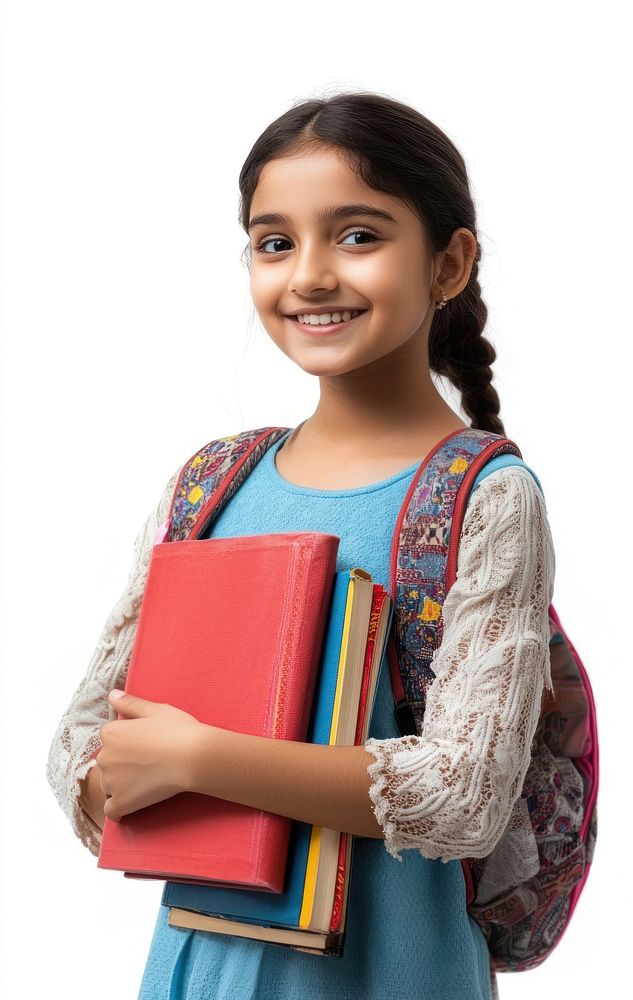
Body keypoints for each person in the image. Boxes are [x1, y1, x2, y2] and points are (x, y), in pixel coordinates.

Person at [46, 91, 556, 1000]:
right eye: (274, 242)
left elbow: (463, 793)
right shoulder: (212, 483)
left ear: (450, 262)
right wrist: (106, 783)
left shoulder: (486, 498)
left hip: (391, 967)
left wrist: (198, 761)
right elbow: (87, 736)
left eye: (357, 236)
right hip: (204, 954)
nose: (309, 275)